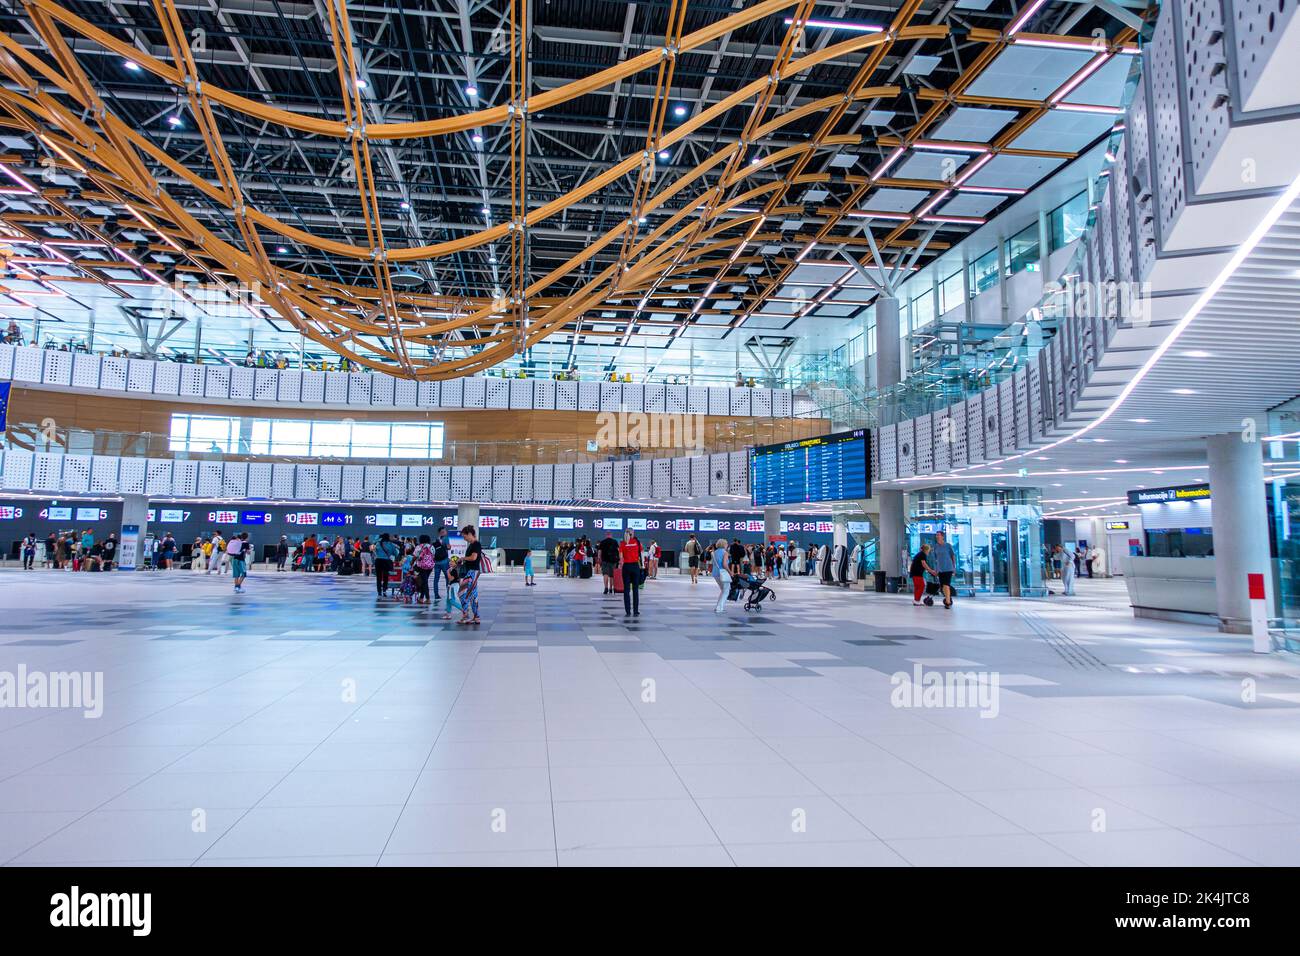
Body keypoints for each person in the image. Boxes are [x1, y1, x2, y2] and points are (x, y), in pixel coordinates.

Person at [458, 526, 482, 624]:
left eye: (465, 536)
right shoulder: (472, 545)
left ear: (469, 534)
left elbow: (473, 558)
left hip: (472, 572)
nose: (464, 539)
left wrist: (463, 558)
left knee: (462, 593)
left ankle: (466, 615)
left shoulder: (476, 544)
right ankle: (476, 617)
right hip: (471, 571)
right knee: (473, 595)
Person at [929, 531, 957, 610]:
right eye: (936, 535)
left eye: (938, 535)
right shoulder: (935, 547)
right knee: (942, 586)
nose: (937, 536)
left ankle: (947, 602)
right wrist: (936, 569)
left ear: (942, 536)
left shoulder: (948, 546)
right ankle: (948, 598)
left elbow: (953, 556)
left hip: (948, 568)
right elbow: (935, 559)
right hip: (940, 569)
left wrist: (954, 567)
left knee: (946, 585)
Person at [619, 528, 644, 617]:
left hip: (626, 567)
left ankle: (628, 611)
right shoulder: (637, 542)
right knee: (635, 589)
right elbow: (641, 554)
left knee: (626, 590)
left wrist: (621, 565)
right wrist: (643, 566)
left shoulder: (622, 543)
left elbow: (621, 558)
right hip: (635, 566)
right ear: (632, 533)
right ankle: (636, 610)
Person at [374, 532, 399, 598]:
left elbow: (375, 552)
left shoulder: (378, 543)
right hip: (386, 561)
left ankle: (379, 592)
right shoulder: (391, 544)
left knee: (378, 577)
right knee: (385, 576)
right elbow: (396, 554)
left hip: (378, 561)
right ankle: (384, 591)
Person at [413, 534, 435, 604]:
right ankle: (421, 598)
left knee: (425, 582)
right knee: (424, 581)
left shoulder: (419, 547)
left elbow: (415, 556)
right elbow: (433, 556)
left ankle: (428, 599)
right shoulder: (432, 547)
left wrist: (412, 563)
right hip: (430, 567)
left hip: (421, 566)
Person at [712, 537, 732, 614]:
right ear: (724, 544)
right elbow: (724, 564)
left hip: (715, 573)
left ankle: (718, 606)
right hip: (723, 573)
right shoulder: (725, 552)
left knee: (723, 590)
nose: (727, 545)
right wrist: (730, 572)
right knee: (726, 590)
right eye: (726, 544)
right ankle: (719, 608)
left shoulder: (714, 552)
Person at [431, 527, 449, 599]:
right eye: (444, 531)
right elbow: (448, 547)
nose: (445, 532)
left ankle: (436, 595)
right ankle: (448, 594)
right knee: (447, 577)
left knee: (436, 579)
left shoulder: (436, 540)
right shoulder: (446, 538)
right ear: (442, 532)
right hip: (444, 561)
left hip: (436, 562)